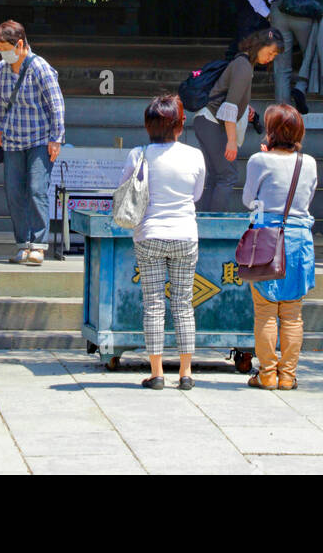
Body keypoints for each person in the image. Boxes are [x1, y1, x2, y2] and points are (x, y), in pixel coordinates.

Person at [119, 93, 205, 390]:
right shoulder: (195, 156)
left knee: (153, 304)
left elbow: (126, 188)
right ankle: (186, 372)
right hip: (185, 235)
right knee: (183, 304)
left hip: (149, 235)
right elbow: (197, 195)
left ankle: (156, 373)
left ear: (148, 126)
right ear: (181, 125)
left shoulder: (137, 154)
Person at [242, 104, 317, 390]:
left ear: (271, 132)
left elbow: (248, 200)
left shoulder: (258, 160)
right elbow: (307, 198)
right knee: (292, 313)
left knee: (265, 311)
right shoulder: (308, 163)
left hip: (266, 238)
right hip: (299, 238)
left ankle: (267, 374)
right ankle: (288, 376)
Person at [0, 20, 65, 268]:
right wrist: (0, 127)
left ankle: (38, 245)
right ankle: (22, 244)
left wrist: (56, 137)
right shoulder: (1, 69)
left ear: (20, 44)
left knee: (36, 189)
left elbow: (56, 105)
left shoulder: (39, 67)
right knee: (14, 192)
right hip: (13, 138)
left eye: (5, 47)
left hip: (39, 139)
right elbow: (0, 101)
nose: (3, 52)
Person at [194, 28, 284, 212]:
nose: (271, 58)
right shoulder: (243, 66)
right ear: (261, 45)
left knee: (217, 177)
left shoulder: (243, 62)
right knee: (227, 176)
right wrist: (232, 141)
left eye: (274, 55)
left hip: (206, 121)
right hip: (212, 123)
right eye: (271, 52)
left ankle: (206, 225)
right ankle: (213, 228)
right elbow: (230, 106)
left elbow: (232, 102)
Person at [246, 0, 323, 113]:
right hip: (303, 8)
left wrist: (268, 13)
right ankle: (301, 86)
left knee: (280, 65)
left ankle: (282, 113)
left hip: (277, 10)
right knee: (312, 52)